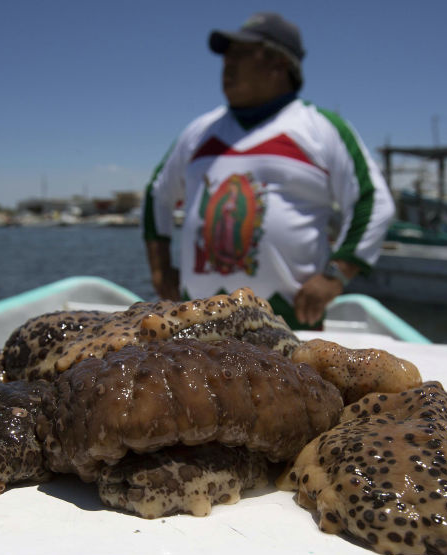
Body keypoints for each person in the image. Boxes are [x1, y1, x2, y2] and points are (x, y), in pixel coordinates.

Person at [141, 11, 394, 329]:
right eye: (226, 56)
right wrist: (161, 268)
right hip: (198, 319)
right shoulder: (199, 132)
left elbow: (373, 202)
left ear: (280, 64)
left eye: (243, 53)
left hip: (289, 320)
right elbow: (157, 195)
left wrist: (337, 274)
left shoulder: (319, 127)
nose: (228, 64)